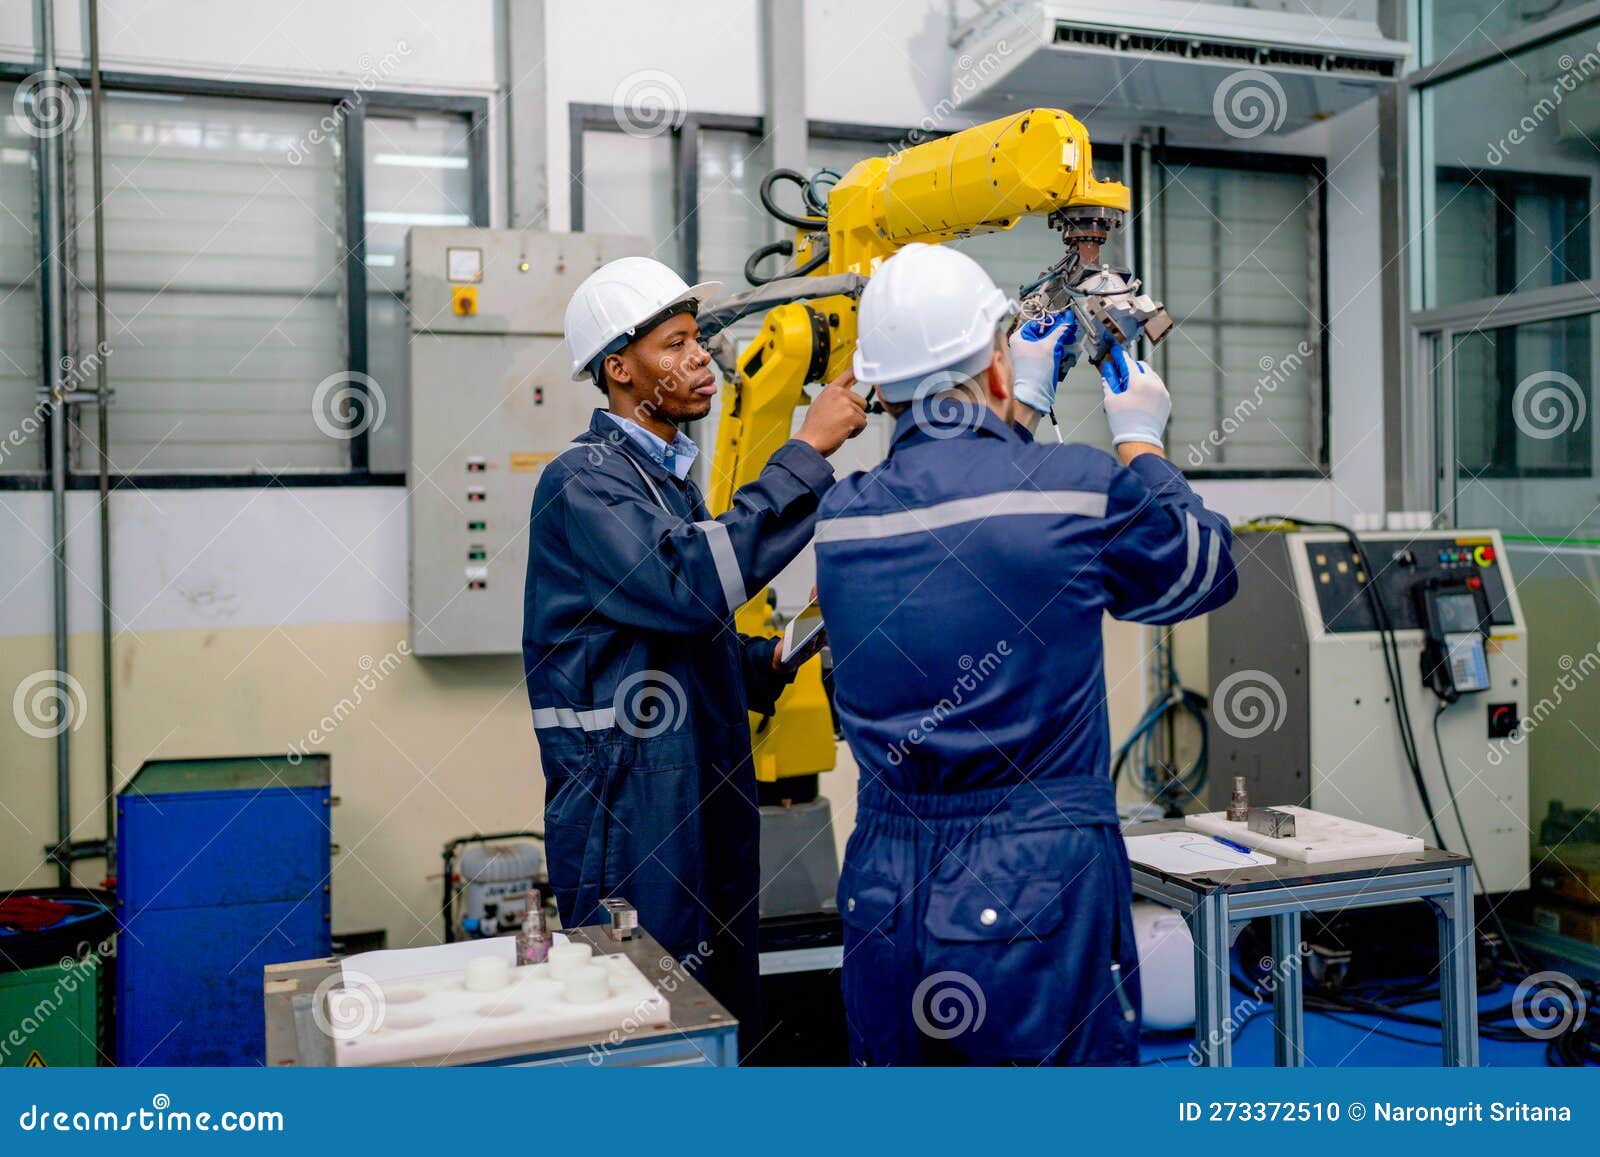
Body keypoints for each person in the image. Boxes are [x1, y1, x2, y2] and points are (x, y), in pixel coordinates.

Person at [813, 243, 1237, 1065]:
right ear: (996, 364)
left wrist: (1018, 407)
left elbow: (973, 513)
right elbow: (1202, 570)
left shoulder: (843, 519)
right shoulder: (1078, 486)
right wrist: (1142, 443)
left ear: (881, 388)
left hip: (884, 890)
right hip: (1036, 888)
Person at [522, 256, 867, 1051]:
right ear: (619, 369)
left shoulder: (664, 481)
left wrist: (766, 657)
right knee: (651, 1019)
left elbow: (672, 635)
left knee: (717, 1013)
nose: (700, 358)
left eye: (697, 341)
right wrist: (807, 449)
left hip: (696, 789)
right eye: (675, 345)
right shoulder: (584, 482)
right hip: (628, 807)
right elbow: (685, 584)